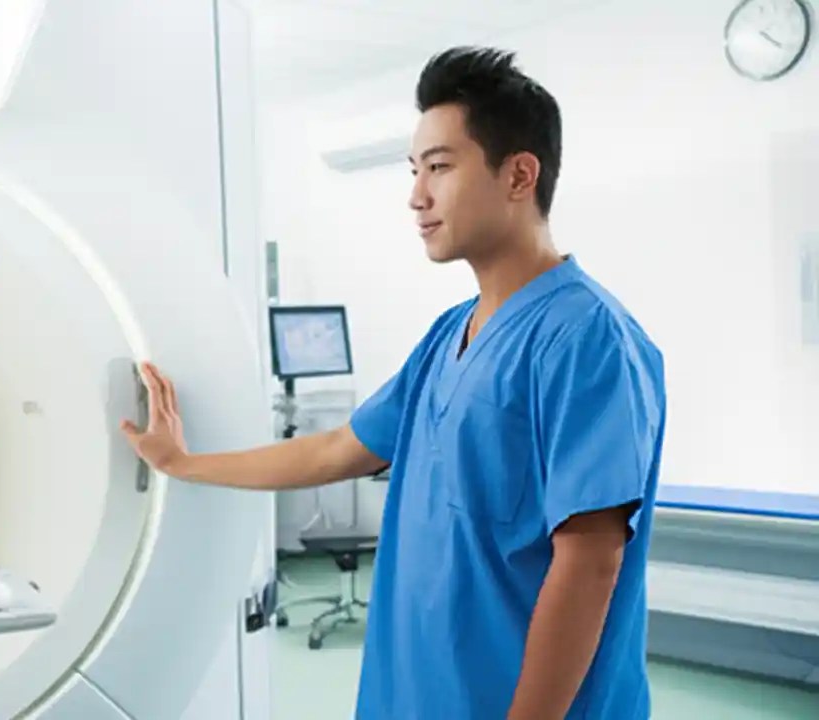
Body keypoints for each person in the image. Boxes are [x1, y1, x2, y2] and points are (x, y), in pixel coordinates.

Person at [122, 45, 666, 719]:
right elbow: (332, 452)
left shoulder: (586, 340)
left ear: (519, 175)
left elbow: (590, 562)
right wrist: (184, 462)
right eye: (414, 170)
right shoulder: (449, 335)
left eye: (439, 167)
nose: (416, 196)